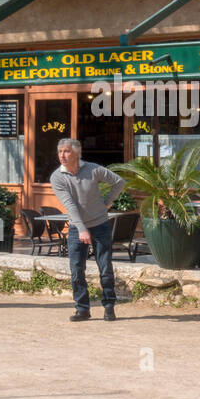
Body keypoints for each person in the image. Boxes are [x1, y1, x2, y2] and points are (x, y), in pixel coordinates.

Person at [50, 137, 126, 321]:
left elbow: (119, 182)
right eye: (60, 151)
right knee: (76, 270)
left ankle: (109, 306)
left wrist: (107, 203)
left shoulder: (93, 169)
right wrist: (82, 229)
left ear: (77, 153)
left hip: (100, 225)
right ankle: (82, 308)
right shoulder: (57, 177)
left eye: (66, 151)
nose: (62, 155)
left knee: (105, 268)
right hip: (77, 229)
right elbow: (71, 205)